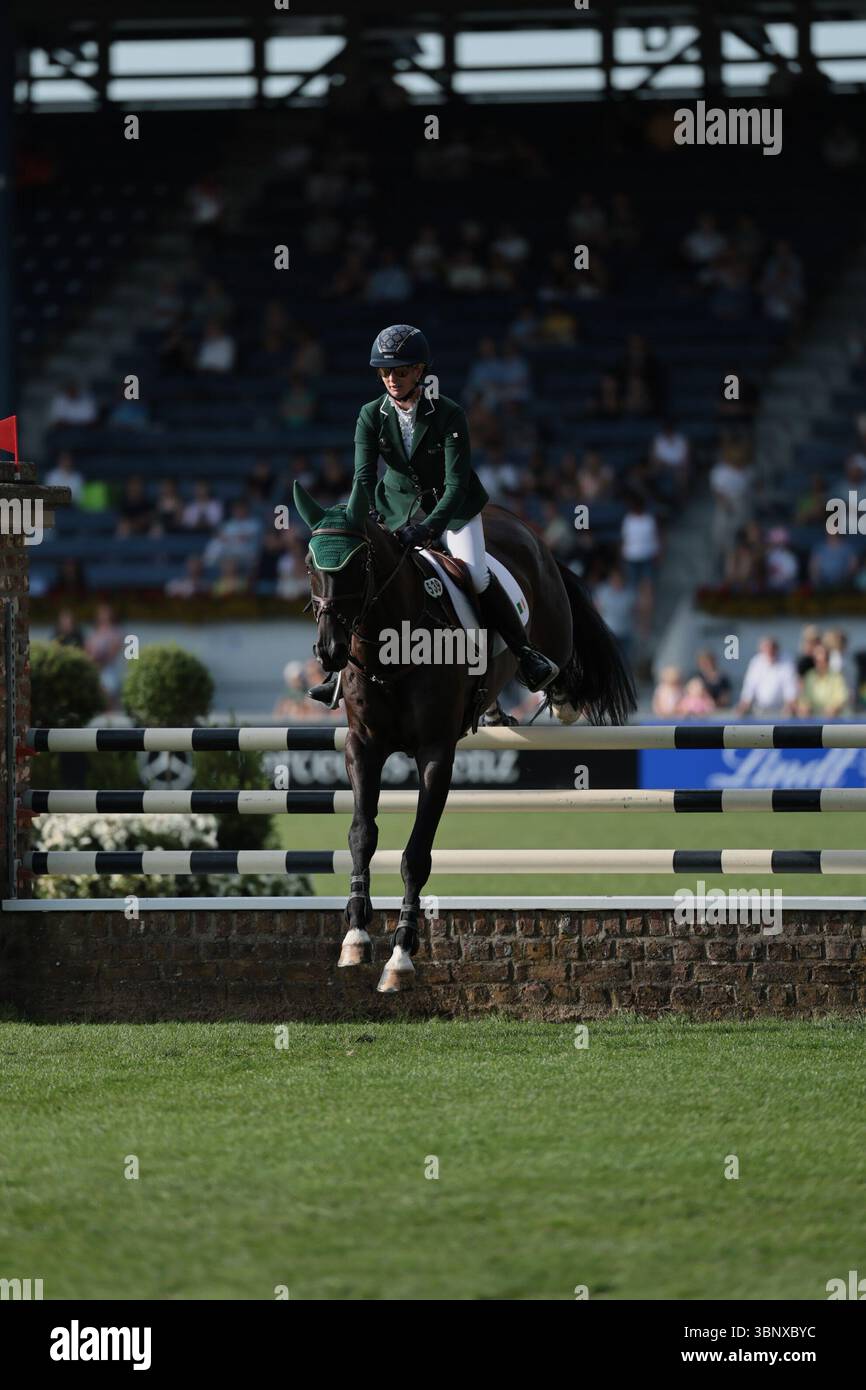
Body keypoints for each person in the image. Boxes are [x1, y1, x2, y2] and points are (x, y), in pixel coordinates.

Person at [307, 323, 559, 705]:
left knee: (475, 573)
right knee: (368, 578)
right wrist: (362, 517)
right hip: (396, 508)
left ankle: (525, 654)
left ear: (420, 372)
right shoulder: (369, 415)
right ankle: (340, 672)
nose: (393, 379)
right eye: (387, 372)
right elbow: (362, 476)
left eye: (402, 371)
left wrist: (429, 528)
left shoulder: (448, 414)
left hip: (453, 510)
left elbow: (456, 485)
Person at [735, 637, 799, 717]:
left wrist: (790, 705)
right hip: (758, 711)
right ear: (761, 649)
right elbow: (749, 688)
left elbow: (790, 690)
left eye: (772, 648)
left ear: (777, 649)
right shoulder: (755, 662)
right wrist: (744, 705)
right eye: (766, 648)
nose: (770, 651)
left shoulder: (787, 662)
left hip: (781, 712)